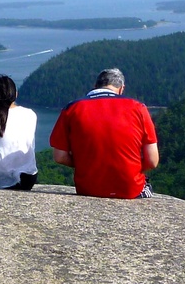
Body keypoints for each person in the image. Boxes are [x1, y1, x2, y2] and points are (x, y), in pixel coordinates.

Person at [48, 67, 159, 199]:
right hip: (130, 189)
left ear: (95, 86)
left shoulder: (71, 108)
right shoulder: (138, 108)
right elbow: (152, 161)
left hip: (87, 189)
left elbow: (60, 157)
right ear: (121, 88)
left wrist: (87, 163)